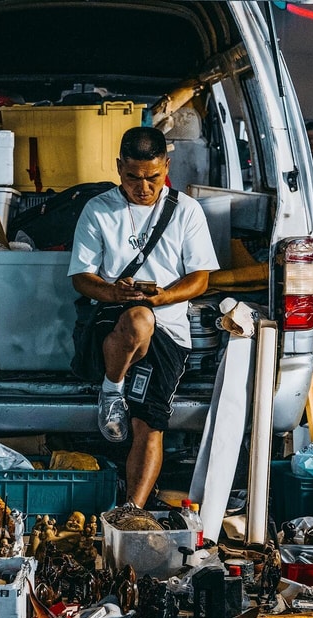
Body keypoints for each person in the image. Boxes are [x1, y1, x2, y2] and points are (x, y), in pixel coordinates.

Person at [68, 126, 218, 509]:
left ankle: (131, 512)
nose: (143, 187)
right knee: (137, 319)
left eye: (153, 177)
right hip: (114, 320)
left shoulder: (186, 211)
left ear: (166, 165)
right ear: (119, 167)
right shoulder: (99, 210)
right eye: (133, 177)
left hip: (170, 328)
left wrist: (166, 295)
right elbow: (83, 278)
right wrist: (113, 291)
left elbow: (200, 278)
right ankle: (111, 389)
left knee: (149, 425)